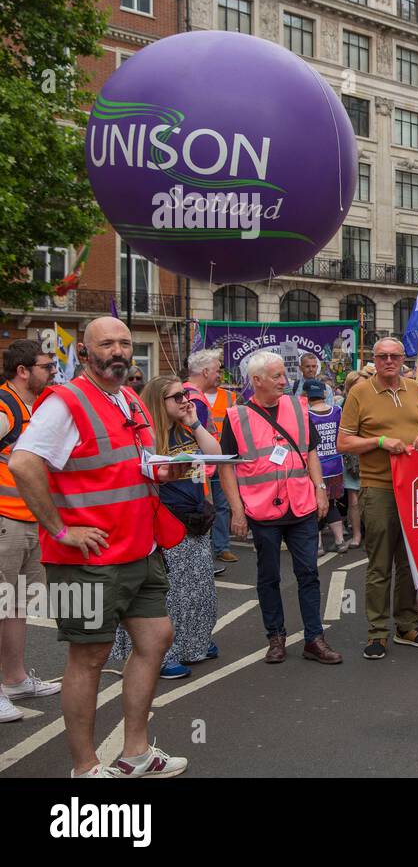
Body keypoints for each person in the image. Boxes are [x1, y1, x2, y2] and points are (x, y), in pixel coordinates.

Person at [10, 316, 188, 777]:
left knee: (156, 639)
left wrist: (161, 470)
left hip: (141, 549)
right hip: (85, 558)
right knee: (89, 657)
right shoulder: (66, 402)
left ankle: (136, 752)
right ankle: (85, 766)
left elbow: (126, 463)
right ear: (86, 353)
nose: (119, 350)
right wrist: (61, 529)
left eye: (125, 343)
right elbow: (25, 463)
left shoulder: (128, 397)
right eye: (106, 343)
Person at [217, 352, 341, 667]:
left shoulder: (298, 408)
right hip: (262, 511)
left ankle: (314, 638)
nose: (284, 382)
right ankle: (276, 637)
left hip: (301, 505)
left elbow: (311, 451)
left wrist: (320, 489)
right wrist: (236, 510)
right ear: (256, 381)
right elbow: (227, 469)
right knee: (269, 575)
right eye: (276, 377)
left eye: (283, 375)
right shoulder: (236, 417)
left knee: (309, 573)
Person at [112, 375, 221, 679]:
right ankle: (164, 653)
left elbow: (213, 453)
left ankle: (193, 643)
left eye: (185, 394)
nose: (185, 400)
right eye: (177, 397)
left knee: (198, 587)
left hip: (196, 517)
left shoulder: (186, 428)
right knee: (170, 593)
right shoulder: (147, 436)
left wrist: (195, 421)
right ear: (159, 402)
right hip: (166, 521)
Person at [338, 337, 418, 660]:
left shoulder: (415, 389)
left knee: (409, 561)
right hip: (378, 486)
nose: (389, 361)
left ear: (403, 359)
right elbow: (343, 442)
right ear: (375, 360)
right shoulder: (359, 392)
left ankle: (406, 624)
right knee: (379, 563)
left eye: (395, 356)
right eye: (382, 356)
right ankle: (377, 631)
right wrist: (380, 441)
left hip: (413, 487)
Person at [0, 340, 62, 721]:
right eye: (46, 367)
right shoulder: (5, 405)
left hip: (26, 520)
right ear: (23, 370)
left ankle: (15, 678)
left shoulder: (32, 406)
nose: (52, 372)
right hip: (5, 520)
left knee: (16, 606)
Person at [185, 349, 239, 566]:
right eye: (217, 370)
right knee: (203, 509)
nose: (220, 375)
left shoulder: (187, 393)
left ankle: (213, 552)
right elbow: (192, 438)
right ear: (205, 372)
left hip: (207, 462)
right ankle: (203, 560)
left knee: (214, 506)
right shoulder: (195, 398)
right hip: (201, 465)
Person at [304, 380, 346, 556]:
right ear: (323, 393)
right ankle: (340, 541)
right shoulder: (337, 411)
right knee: (331, 503)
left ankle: (318, 545)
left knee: (315, 506)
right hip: (336, 467)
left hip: (316, 470)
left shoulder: (306, 415)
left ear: (307, 396)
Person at [339, 371, 364, 552]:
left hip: (371, 455)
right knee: (353, 499)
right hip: (350, 457)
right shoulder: (342, 406)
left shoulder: (374, 404)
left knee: (371, 499)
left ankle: (371, 534)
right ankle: (356, 535)